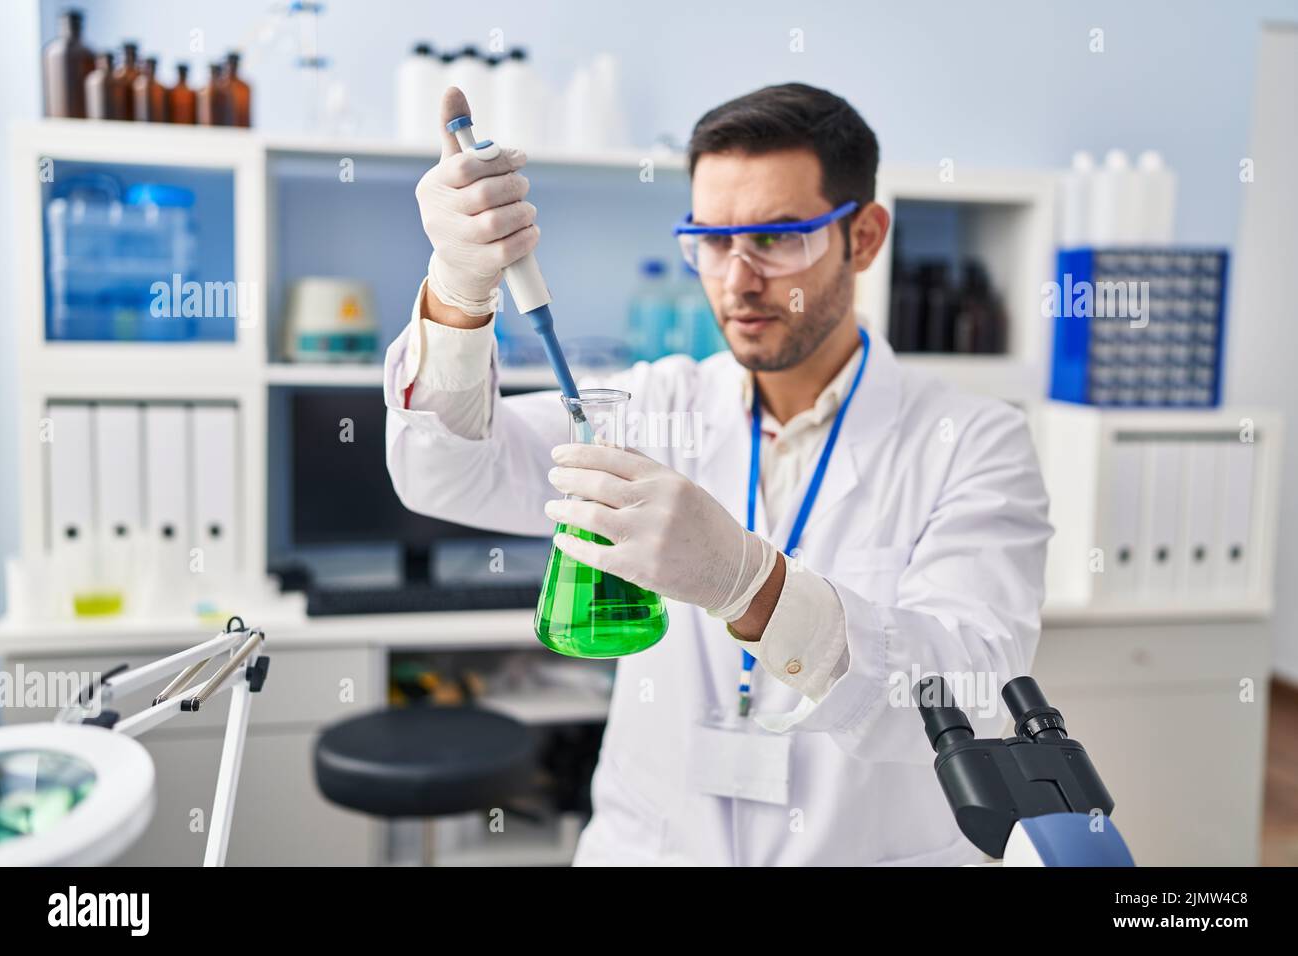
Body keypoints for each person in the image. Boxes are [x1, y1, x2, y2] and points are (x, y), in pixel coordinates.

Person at [385, 82, 1052, 865]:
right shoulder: (653, 405)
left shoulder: (974, 443)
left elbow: (966, 694)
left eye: (777, 237)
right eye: (711, 237)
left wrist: (755, 585)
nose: (736, 280)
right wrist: (460, 292)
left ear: (864, 237)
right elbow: (448, 472)